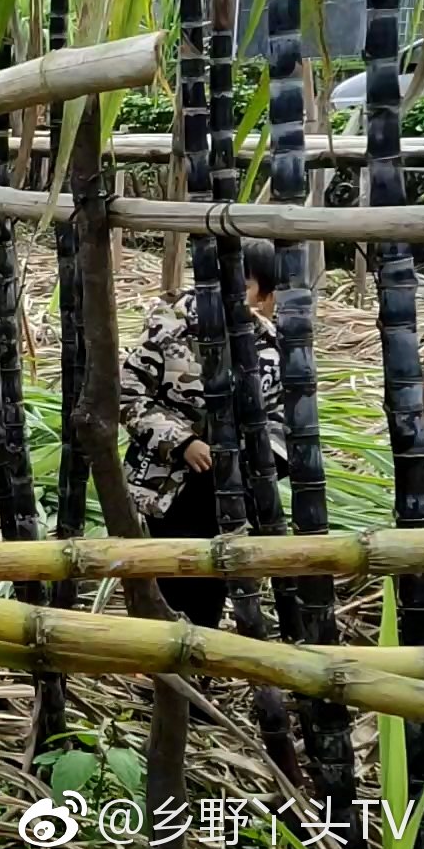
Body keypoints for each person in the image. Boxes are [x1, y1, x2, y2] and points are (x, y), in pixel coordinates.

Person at [120, 237, 286, 629]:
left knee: (216, 577)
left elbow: (283, 416)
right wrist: (183, 442)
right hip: (169, 481)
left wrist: (261, 461)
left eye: (244, 284)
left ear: (263, 295)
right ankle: (161, 668)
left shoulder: (268, 345)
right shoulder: (169, 327)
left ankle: (202, 663)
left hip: (234, 484)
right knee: (170, 570)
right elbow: (127, 394)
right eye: (223, 279)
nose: (232, 292)